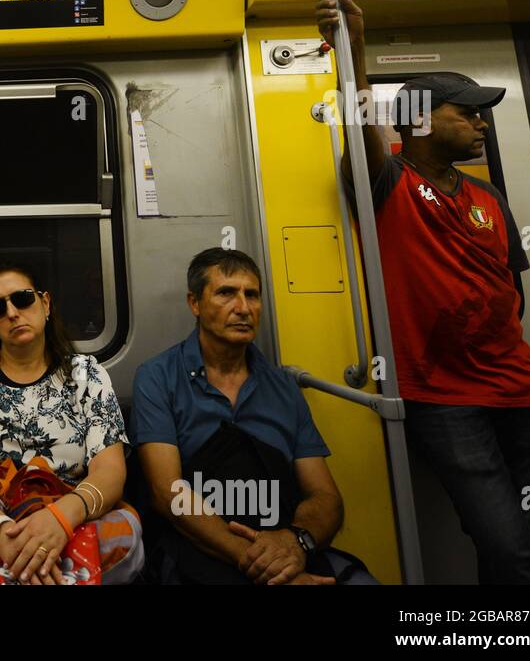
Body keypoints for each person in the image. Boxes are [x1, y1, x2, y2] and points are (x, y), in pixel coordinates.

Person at [318, 0, 530, 583]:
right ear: (421, 119)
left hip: (524, 397)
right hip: (448, 399)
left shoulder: (488, 197)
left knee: (508, 544)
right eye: (467, 113)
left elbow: (510, 291)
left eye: (482, 115)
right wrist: (352, 48)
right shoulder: (390, 182)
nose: (481, 124)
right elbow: (357, 122)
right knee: (514, 550)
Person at [132, 248, 375, 585]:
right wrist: (255, 560)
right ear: (195, 304)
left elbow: (326, 497)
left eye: (252, 295)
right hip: (201, 547)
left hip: (284, 541)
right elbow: (167, 492)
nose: (243, 308)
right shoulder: (158, 377)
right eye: (226, 293)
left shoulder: (283, 388)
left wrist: (295, 544)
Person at [0, 263, 143, 585]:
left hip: (70, 501)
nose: (12, 313)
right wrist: (0, 531)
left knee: (125, 537)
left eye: (22, 299)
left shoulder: (85, 375)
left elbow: (110, 471)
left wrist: (61, 518)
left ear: (46, 303)